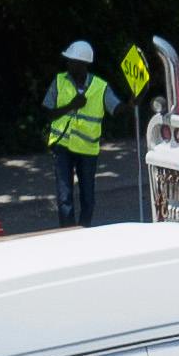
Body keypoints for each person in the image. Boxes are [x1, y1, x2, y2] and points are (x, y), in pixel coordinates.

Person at [43, 40, 115, 229]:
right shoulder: (59, 81)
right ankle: (68, 234)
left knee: (88, 198)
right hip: (62, 145)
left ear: (83, 64)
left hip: (87, 149)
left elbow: (116, 108)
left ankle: (84, 231)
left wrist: (133, 102)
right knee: (64, 197)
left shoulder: (100, 86)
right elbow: (48, 112)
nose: (68, 64)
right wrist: (71, 106)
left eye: (72, 61)